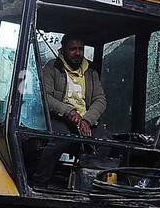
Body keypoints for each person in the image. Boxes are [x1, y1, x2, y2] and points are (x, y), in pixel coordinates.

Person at [31, 35, 106, 186]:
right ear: (64, 49)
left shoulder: (91, 72)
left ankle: (88, 184)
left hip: (85, 120)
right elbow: (45, 97)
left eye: (80, 49)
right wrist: (69, 111)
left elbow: (100, 99)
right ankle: (39, 182)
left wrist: (87, 120)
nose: (77, 53)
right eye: (73, 49)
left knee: (106, 141)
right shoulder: (52, 68)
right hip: (59, 118)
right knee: (61, 138)